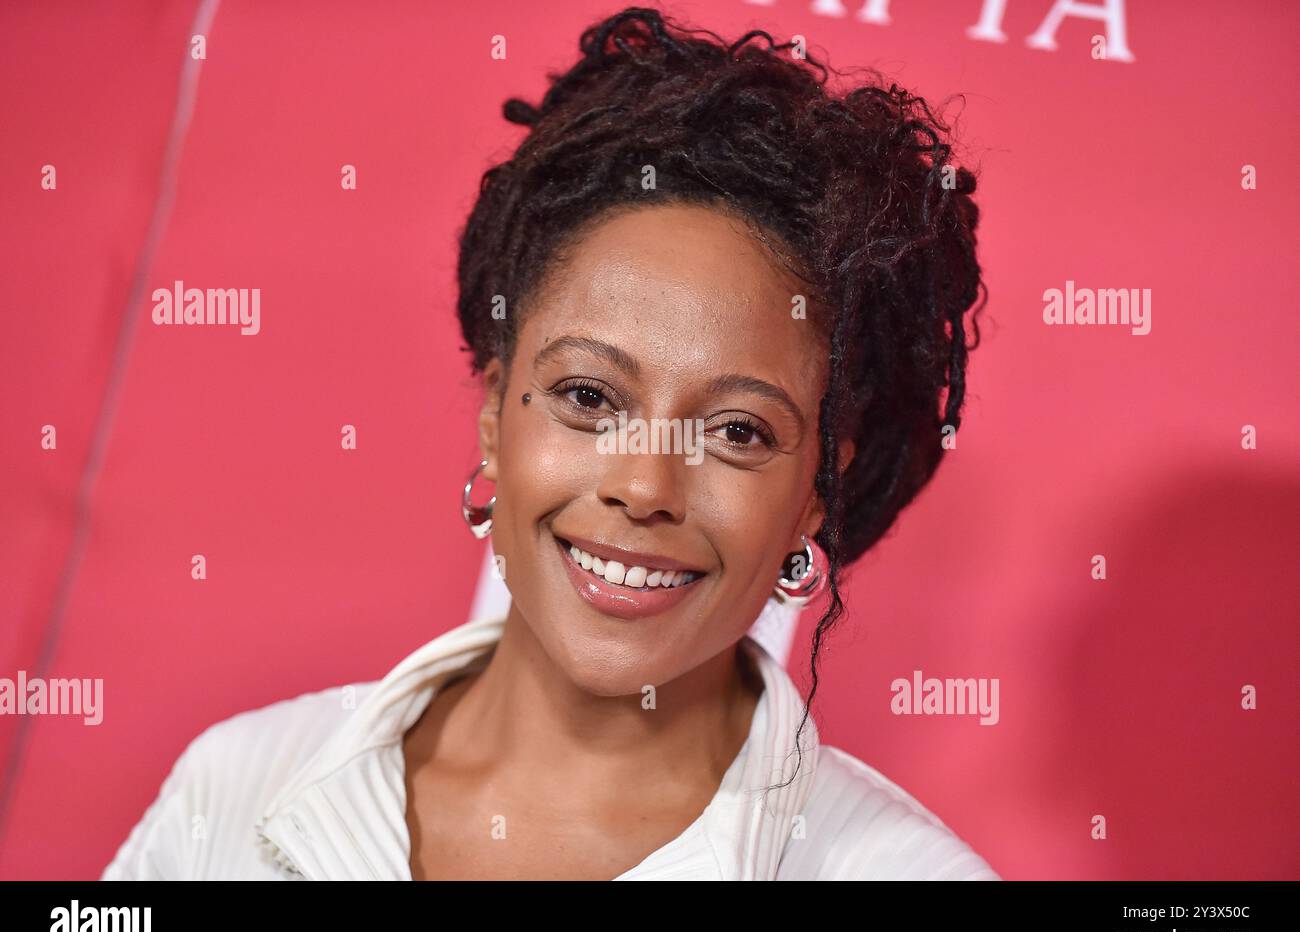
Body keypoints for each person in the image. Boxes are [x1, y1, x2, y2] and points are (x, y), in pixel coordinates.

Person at [103, 5, 995, 880]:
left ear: (815, 491)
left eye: (736, 431)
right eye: (588, 396)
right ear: (497, 413)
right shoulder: (238, 787)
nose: (646, 486)